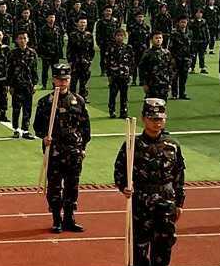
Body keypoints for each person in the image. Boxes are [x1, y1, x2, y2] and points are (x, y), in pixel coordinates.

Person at [115, 98, 186, 266]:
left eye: (161, 119)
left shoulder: (172, 145)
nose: (157, 123)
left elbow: (179, 175)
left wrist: (179, 203)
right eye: (153, 119)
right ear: (145, 119)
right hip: (141, 201)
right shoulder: (132, 144)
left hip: (166, 201)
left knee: (163, 247)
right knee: (139, 247)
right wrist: (123, 187)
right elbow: (120, 169)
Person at [33, 63, 91, 233]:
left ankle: (69, 219)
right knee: (55, 187)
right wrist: (44, 137)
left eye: (65, 79)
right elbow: (38, 127)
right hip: (55, 152)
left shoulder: (78, 100)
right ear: (53, 80)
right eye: (59, 79)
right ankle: (57, 219)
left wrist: (83, 147)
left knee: (72, 186)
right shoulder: (46, 102)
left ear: (70, 80)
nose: (62, 82)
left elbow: (85, 127)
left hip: (74, 151)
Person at [7, 32, 38, 139]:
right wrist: (10, 85)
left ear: (28, 39)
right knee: (16, 108)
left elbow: (34, 70)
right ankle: (15, 129)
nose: (22, 40)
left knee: (27, 108)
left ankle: (25, 130)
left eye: (24, 38)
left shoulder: (32, 53)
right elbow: (9, 70)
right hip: (16, 85)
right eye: (20, 38)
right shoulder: (12, 53)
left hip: (28, 85)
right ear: (16, 40)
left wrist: (34, 84)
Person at [103, 28, 133, 119]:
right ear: (115, 37)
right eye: (118, 35)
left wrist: (130, 74)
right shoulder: (110, 48)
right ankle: (112, 111)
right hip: (114, 75)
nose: (120, 37)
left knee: (124, 95)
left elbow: (132, 62)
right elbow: (107, 62)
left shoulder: (128, 48)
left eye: (121, 36)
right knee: (113, 94)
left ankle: (123, 112)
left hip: (124, 75)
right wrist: (108, 74)